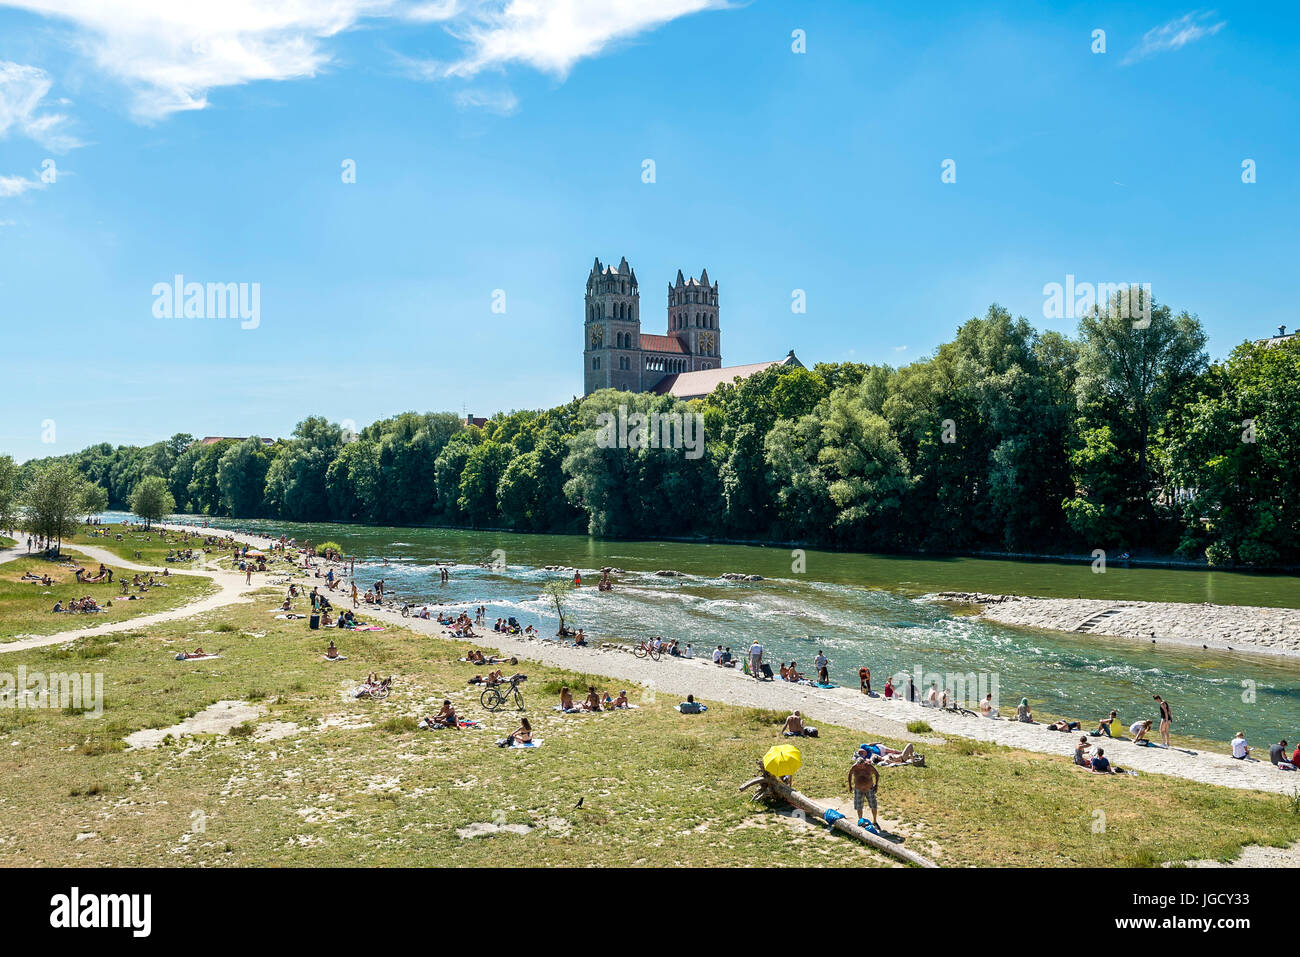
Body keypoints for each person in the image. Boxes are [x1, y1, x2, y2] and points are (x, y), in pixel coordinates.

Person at [849, 752, 880, 831]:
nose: (861, 767)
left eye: (862, 765)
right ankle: (861, 821)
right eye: (859, 766)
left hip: (869, 789)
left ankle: (875, 821)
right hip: (858, 789)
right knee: (859, 806)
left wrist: (876, 785)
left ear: (864, 763)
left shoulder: (869, 767)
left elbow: (877, 774)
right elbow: (849, 775)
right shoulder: (854, 767)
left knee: (873, 805)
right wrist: (850, 786)